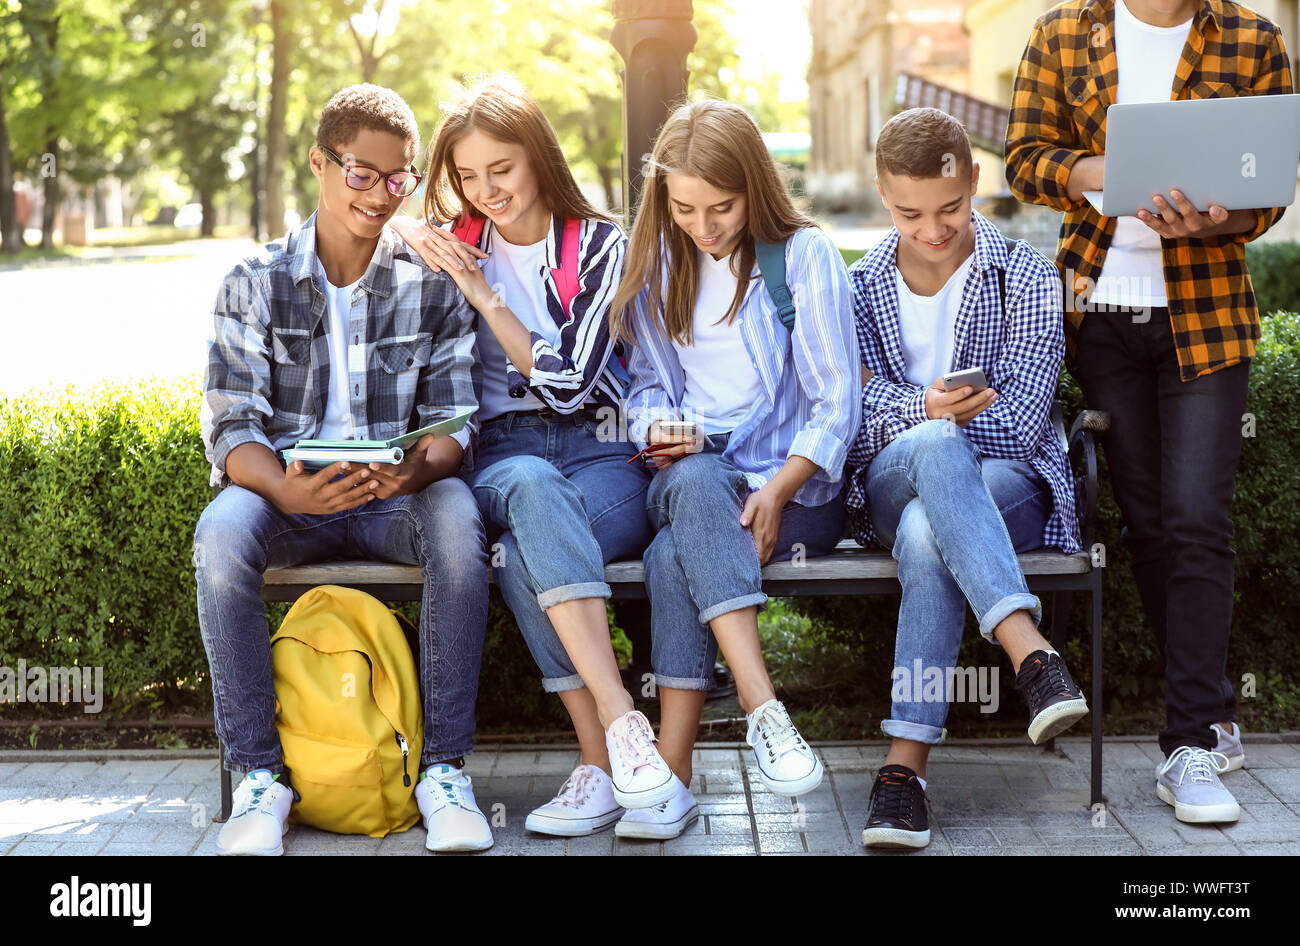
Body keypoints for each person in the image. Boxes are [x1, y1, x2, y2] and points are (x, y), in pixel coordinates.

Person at [1005, 0, 1294, 823]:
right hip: (1099, 314)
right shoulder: (1063, 31)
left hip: (1205, 320)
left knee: (1200, 518)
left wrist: (1218, 219)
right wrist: (1110, 173)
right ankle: (1208, 717)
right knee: (1150, 525)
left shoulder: (1253, 39)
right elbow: (1024, 160)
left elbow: (1266, 195)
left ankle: (1189, 745)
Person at [196, 84, 493, 855]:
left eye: (399, 179)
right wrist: (284, 487)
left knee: (460, 525)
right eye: (362, 174)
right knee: (221, 538)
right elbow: (232, 427)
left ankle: (443, 773)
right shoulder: (251, 281)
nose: (381, 195)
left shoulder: (431, 284)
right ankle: (261, 779)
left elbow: (458, 420)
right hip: (287, 500)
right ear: (320, 162)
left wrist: (417, 474)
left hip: (391, 498)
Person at [388, 76, 675, 839]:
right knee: (526, 483)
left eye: (502, 170)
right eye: (469, 177)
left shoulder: (603, 244)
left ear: (539, 158)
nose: (487, 193)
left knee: (519, 555)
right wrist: (411, 232)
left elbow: (573, 385)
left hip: (600, 450)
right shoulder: (454, 241)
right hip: (502, 455)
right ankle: (623, 728)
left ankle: (596, 765)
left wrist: (486, 296)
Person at [607, 98, 861, 840]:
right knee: (689, 486)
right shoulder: (656, 261)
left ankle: (674, 772)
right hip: (698, 473)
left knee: (669, 550)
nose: (705, 226)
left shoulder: (801, 256)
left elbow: (835, 401)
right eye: (684, 208)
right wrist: (663, 428)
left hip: (794, 487)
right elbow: (647, 386)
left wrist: (780, 489)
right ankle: (765, 711)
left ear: (754, 185)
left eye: (721, 206)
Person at [846, 107, 1088, 850]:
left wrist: (917, 421)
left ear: (973, 180)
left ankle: (903, 774)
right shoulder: (857, 286)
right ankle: (1029, 650)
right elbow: (846, 420)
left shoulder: (1029, 276)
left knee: (928, 531)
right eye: (909, 212)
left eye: (949, 208)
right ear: (884, 196)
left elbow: (1020, 424)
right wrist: (922, 413)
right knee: (930, 453)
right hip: (889, 484)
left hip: (1008, 483)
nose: (932, 228)